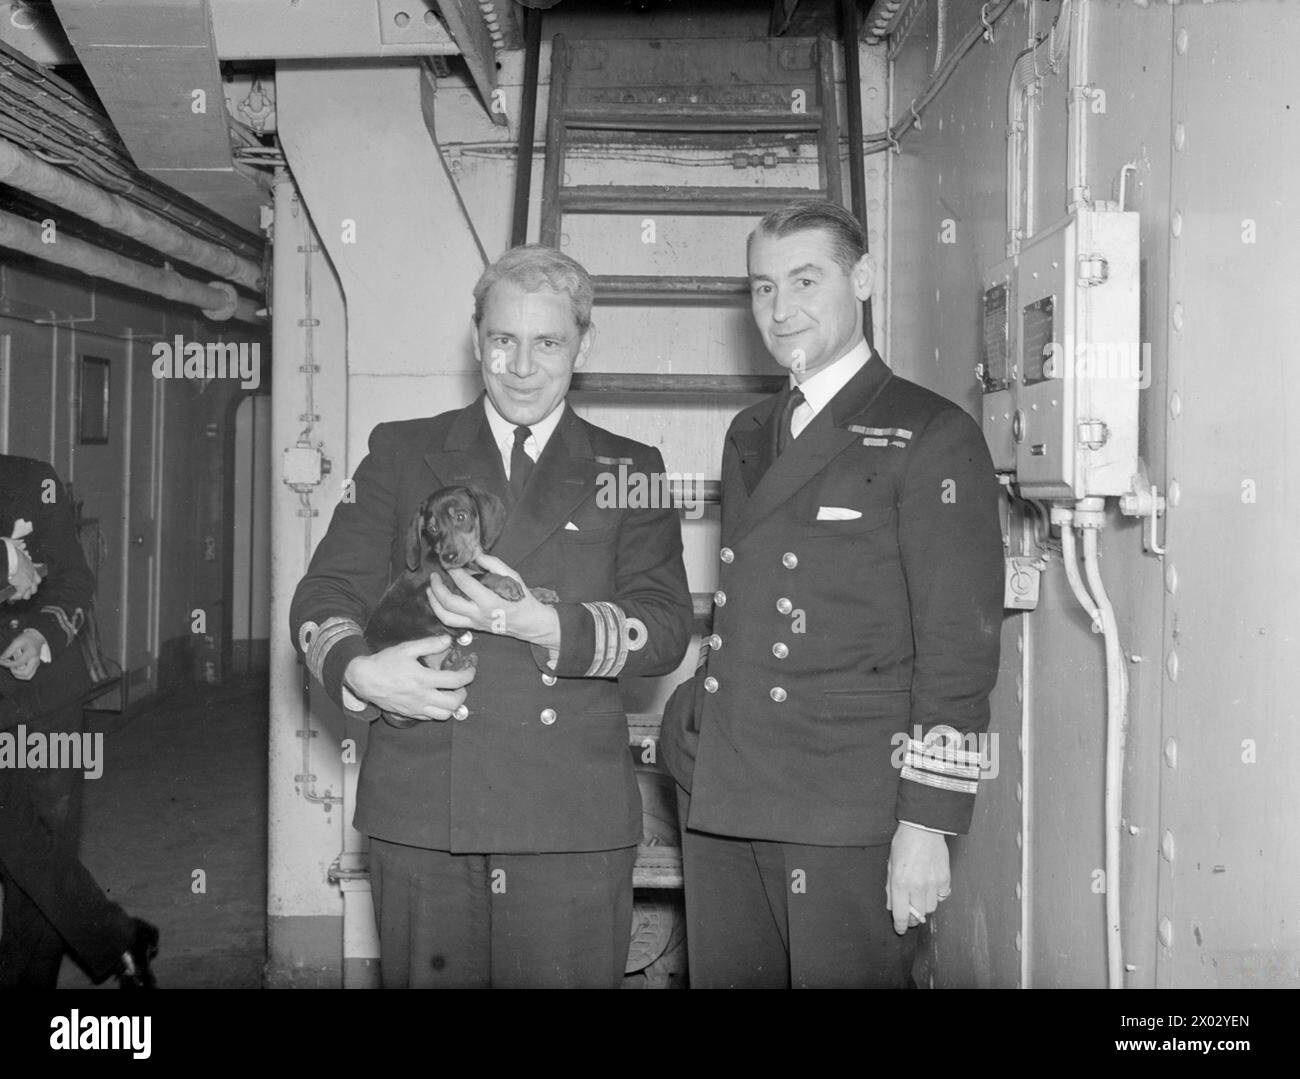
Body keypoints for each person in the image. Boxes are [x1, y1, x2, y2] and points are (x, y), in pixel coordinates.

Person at [290, 244, 693, 988]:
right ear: (477, 339)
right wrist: (362, 671)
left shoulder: (629, 469)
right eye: (503, 340)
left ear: (583, 345)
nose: (522, 365)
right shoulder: (403, 450)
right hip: (424, 812)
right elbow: (322, 596)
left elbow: (665, 624)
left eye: (548, 343)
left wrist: (546, 626)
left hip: (566, 818)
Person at [661, 201, 1004, 988]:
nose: (780, 311)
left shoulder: (931, 432)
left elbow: (959, 650)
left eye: (805, 280)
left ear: (865, 279)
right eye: (761, 288)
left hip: (848, 804)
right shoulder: (751, 430)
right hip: (726, 784)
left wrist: (927, 821)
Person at [0, 454, 158, 987]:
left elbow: (72, 579)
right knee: (23, 849)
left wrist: (41, 635)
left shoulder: (30, 481)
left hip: (45, 696)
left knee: (42, 846)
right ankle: (117, 937)